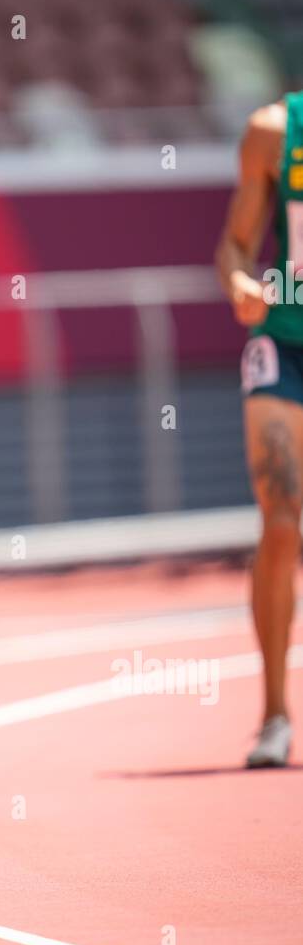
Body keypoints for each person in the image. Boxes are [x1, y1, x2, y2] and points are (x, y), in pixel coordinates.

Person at [215, 90, 303, 767]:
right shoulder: (275, 130)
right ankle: (275, 713)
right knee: (281, 519)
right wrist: (242, 283)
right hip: (286, 344)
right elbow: (238, 246)